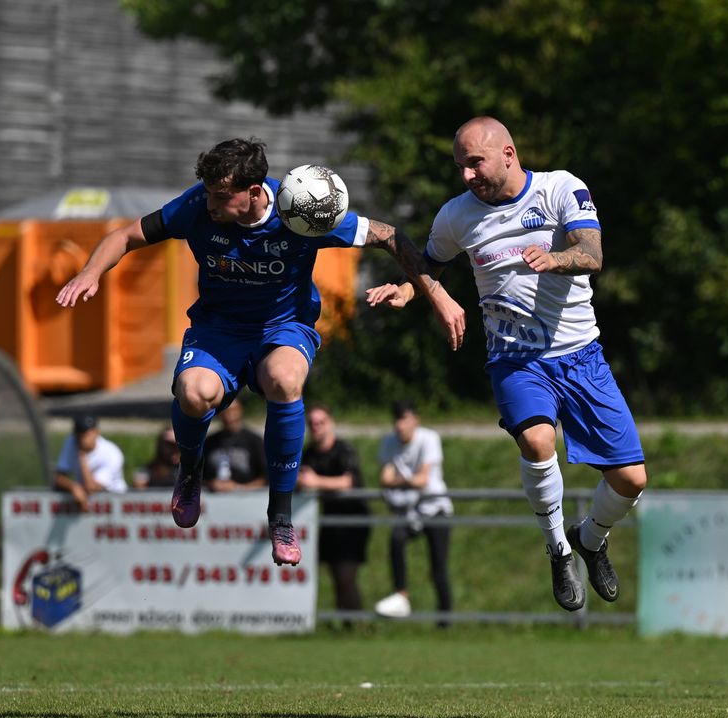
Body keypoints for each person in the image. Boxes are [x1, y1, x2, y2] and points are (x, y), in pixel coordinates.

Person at [55, 137, 464, 567]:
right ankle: (190, 471)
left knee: (284, 381)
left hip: (283, 327)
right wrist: (90, 272)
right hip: (218, 329)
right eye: (209, 192)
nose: (211, 203)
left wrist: (434, 295)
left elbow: (388, 235)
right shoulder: (197, 206)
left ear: (254, 192)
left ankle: (280, 514)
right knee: (194, 393)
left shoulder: (300, 211)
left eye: (221, 195)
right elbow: (125, 235)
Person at [366, 116, 646, 612]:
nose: (467, 176)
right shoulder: (456, 216)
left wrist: (554, 259)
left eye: (475, 163)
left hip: (581, 354)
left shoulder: (562, 189)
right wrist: (409, 289)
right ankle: (559, 548)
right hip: (515, 357)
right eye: (460, 166)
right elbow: (430, 262)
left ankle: (590, 538)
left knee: (631, 480)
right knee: (538, 440)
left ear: (509, 154)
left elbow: (593, 253)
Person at [373, 400, 454, 622]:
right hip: (409, 511)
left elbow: (422, 479)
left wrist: (398, 481)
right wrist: (408, 480)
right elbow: (384, 479)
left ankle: (445, 621)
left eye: (405, 419)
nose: (400, 426)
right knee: (396, 539)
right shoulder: (389, 442)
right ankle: (401, 595)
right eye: (397, 420)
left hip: (436, 508)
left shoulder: (429, 438)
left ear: (415, 420)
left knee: (438, 569)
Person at [299, 402, 371, 617]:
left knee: (345, 575)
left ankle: (356, 622)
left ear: (331, 423)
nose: (317, 427)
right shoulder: (308, 454)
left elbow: (348, 482)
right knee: (335, 575)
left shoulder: (344, 450)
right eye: (312, 423)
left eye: (321, 422)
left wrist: (315, 481)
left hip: (352, 520)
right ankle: (345, 623)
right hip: (328, 520)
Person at [53, 414, 127, 510]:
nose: (80, 439)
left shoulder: (112, 454)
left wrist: (82, 456)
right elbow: (58, 478)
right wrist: (73, 487)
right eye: (78, 435)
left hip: (115, 505)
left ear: (96, 433)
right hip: (88, 505)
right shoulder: (71, 442)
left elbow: (91, 488)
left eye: (85, 435)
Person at [202, 394, 267, 492]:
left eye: (233, 411)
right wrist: (212, 484)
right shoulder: (209, 442)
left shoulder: (254, 440)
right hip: (214, 500)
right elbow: (198, 476)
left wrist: (239, 488)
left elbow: (266, 477)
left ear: (241, 411)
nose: (229, 416)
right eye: (225, 411)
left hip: (247, 499)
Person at [133, 425, 181, 489]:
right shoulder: (147, 471)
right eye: (170, 444)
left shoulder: (193, 471)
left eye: (178, 444)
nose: (175, 448)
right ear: (160, 445)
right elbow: (138, 494)